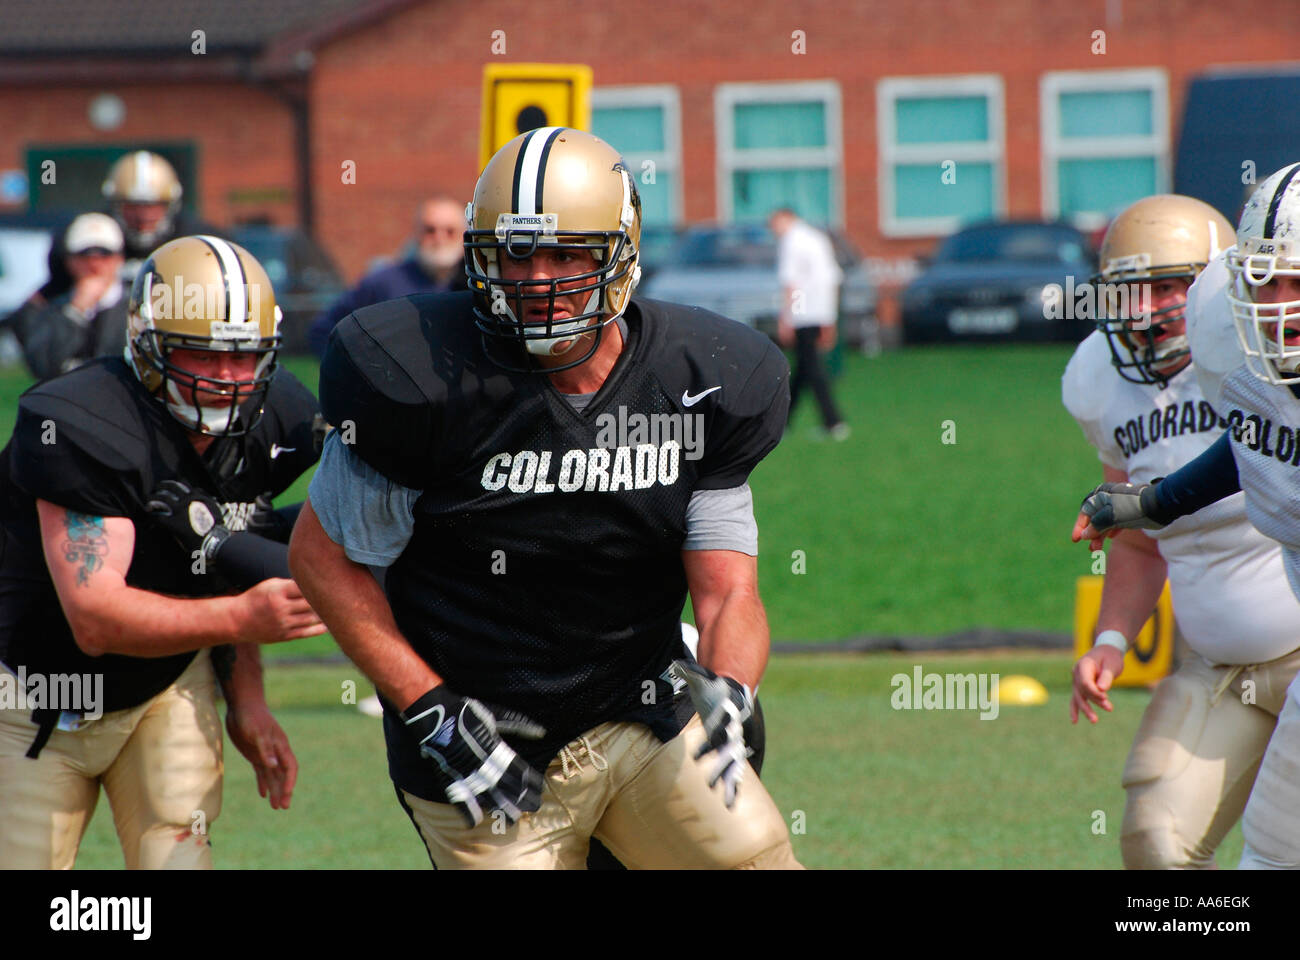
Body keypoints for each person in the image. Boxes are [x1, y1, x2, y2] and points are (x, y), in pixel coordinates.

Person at [289, 127, 801, 869]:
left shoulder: (701, 380)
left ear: (619, 255)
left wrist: (732, 689)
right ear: (481, 259)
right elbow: (321, 557)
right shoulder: (422, 379)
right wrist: (426, 706)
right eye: (517, 255)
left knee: (755, 858)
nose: (540, 280)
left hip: (639, 712)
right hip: (479, 736)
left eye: (568, 253)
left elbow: (727, 594)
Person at [0, 235, 327, 869]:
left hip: (165, 685)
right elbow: (94, 620)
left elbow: (234, 556)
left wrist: (248, 697)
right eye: (203, 357)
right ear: (149, 345)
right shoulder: (81, 422)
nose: (230, 381)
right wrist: (242, 620)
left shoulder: (281, 418)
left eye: (246, 356)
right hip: (29, 691)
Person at [1061, 194, 1300, 869]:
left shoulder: (1256, 358)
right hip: (1220, 665)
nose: (1146, 310)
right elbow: (1142, 535)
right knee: (1156, 843)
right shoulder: (1097, 379)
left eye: (1169, 287)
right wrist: (1110, 639)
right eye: (1132, 291)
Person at [307, 196, 469, 357]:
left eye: (450, 231)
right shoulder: (383, 282)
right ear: (416, 233)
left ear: (464, 234)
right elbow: (324, 330)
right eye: (430, 230)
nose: (439, 239)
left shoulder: (475, 285)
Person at [15, 213, 128, 380]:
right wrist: (75, 312)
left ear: (119, 259)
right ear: (69, 261)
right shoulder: (50, 311)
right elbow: (43, 368)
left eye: (104, 254)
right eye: (85, 255)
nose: (94, 263)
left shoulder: (136, 308)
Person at [769, 207, 847, 439]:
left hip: (802, 314)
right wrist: (830, 320)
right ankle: (784, 422)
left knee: (812, 369)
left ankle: (833, 421)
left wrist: (786, 318)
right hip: (820, 311)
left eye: (775, 224)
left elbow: (790, 282)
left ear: (786, 218)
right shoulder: (818, 238)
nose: (774, 230)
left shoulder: (791, 241)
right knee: (803, 369)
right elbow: (831, 279)